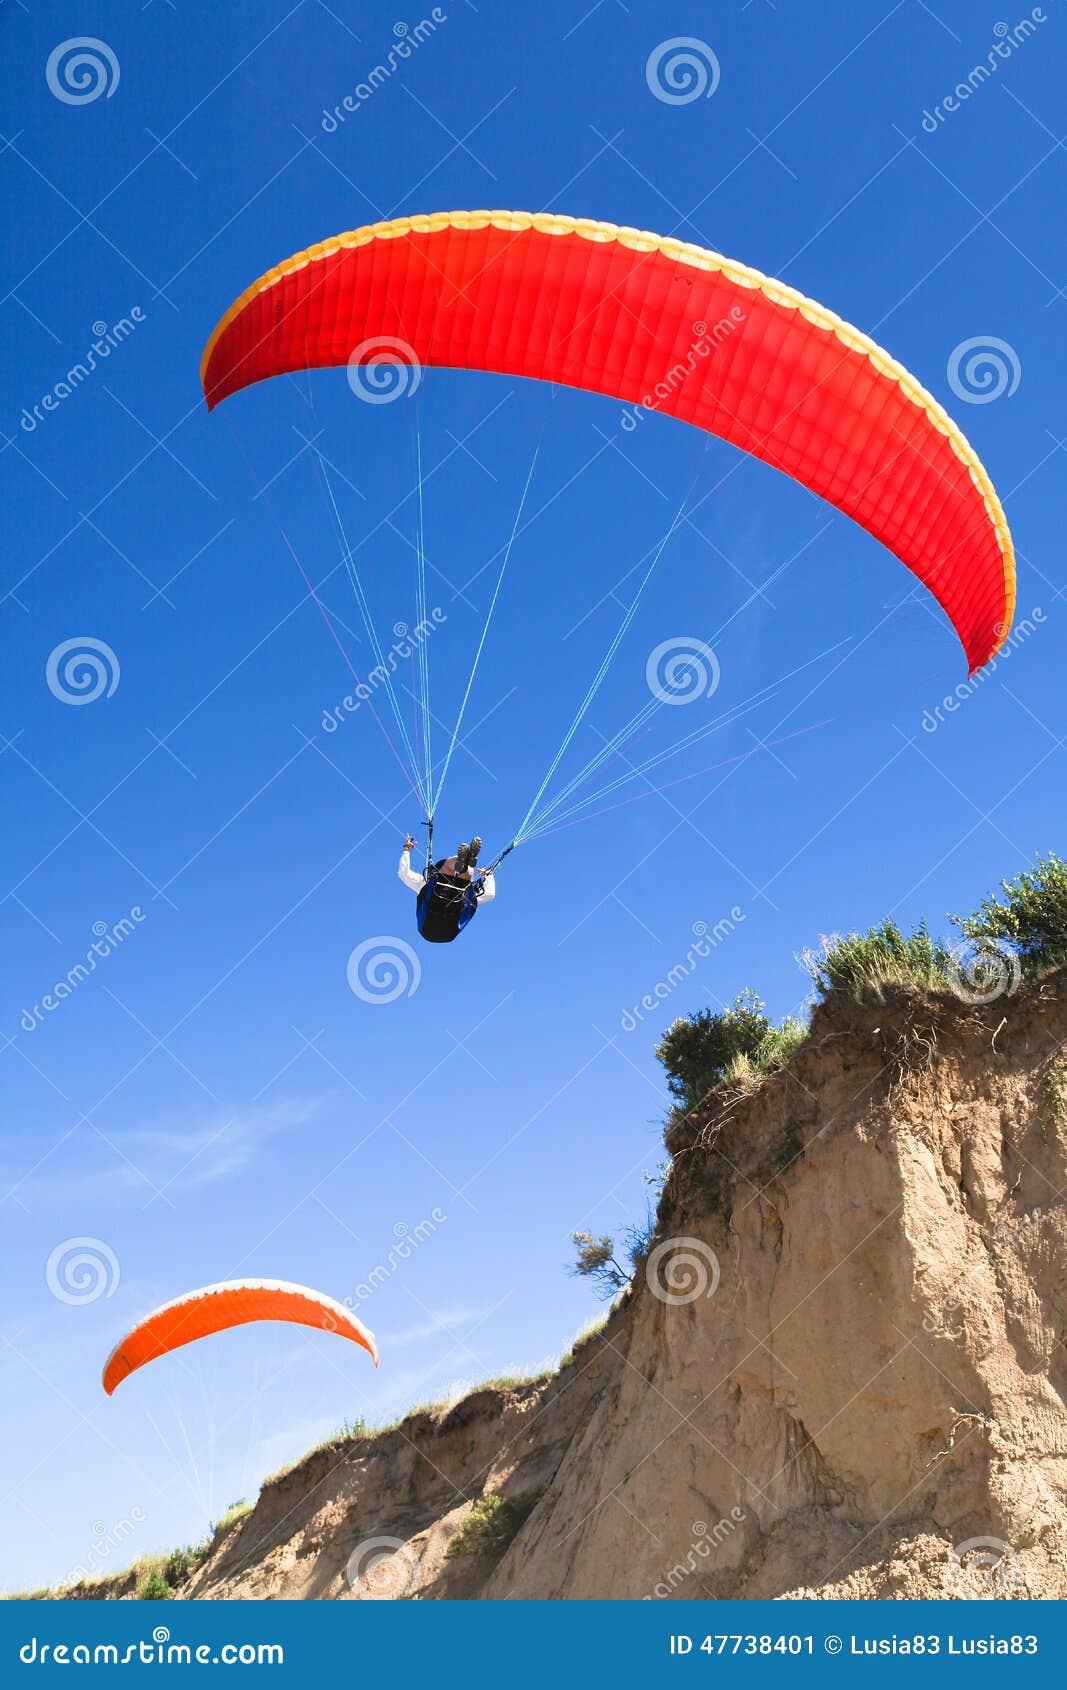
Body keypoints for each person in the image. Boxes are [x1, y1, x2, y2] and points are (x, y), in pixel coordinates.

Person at [398, 834, 496, 944]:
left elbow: (403, 874)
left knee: (456, 868)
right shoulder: (465, 894)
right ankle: (467, 863)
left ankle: (465, 863)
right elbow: (489, 895)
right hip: (448, 927)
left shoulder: (423, 883)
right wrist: (489, 876)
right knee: (467, 875)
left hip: (430, 927)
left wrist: (406, 850)